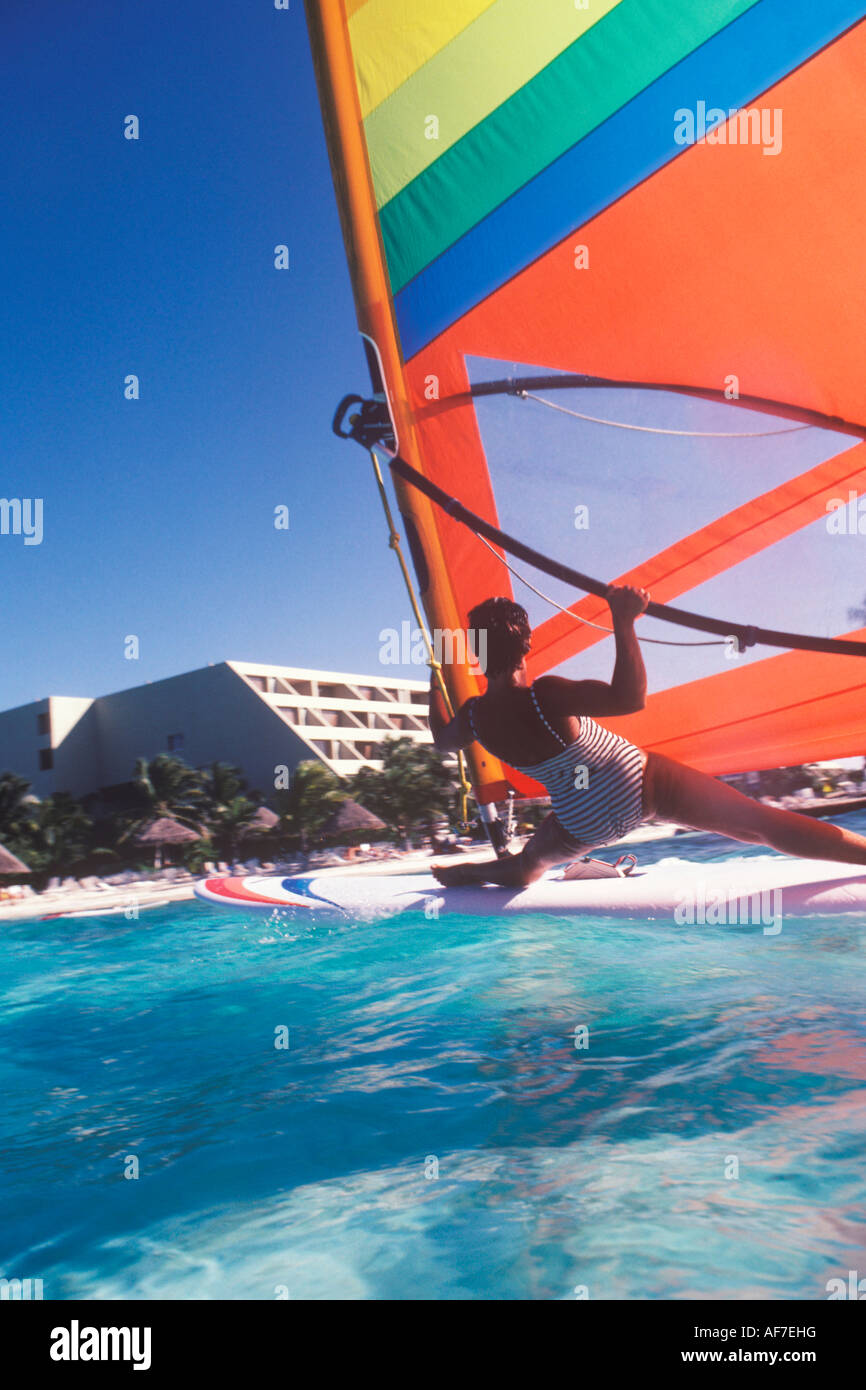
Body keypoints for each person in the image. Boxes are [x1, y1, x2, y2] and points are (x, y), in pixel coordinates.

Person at [428, 587, 866, 887]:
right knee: (758, 825)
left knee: (526, 866)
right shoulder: (546, 694)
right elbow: (628, 699)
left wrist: (434, 678)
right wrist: (623, 620)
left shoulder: (475, 719)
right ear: (526, 644)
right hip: (635, 783)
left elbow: (442, 741)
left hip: (582, 821)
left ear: (476, 651)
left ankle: (469, 874)